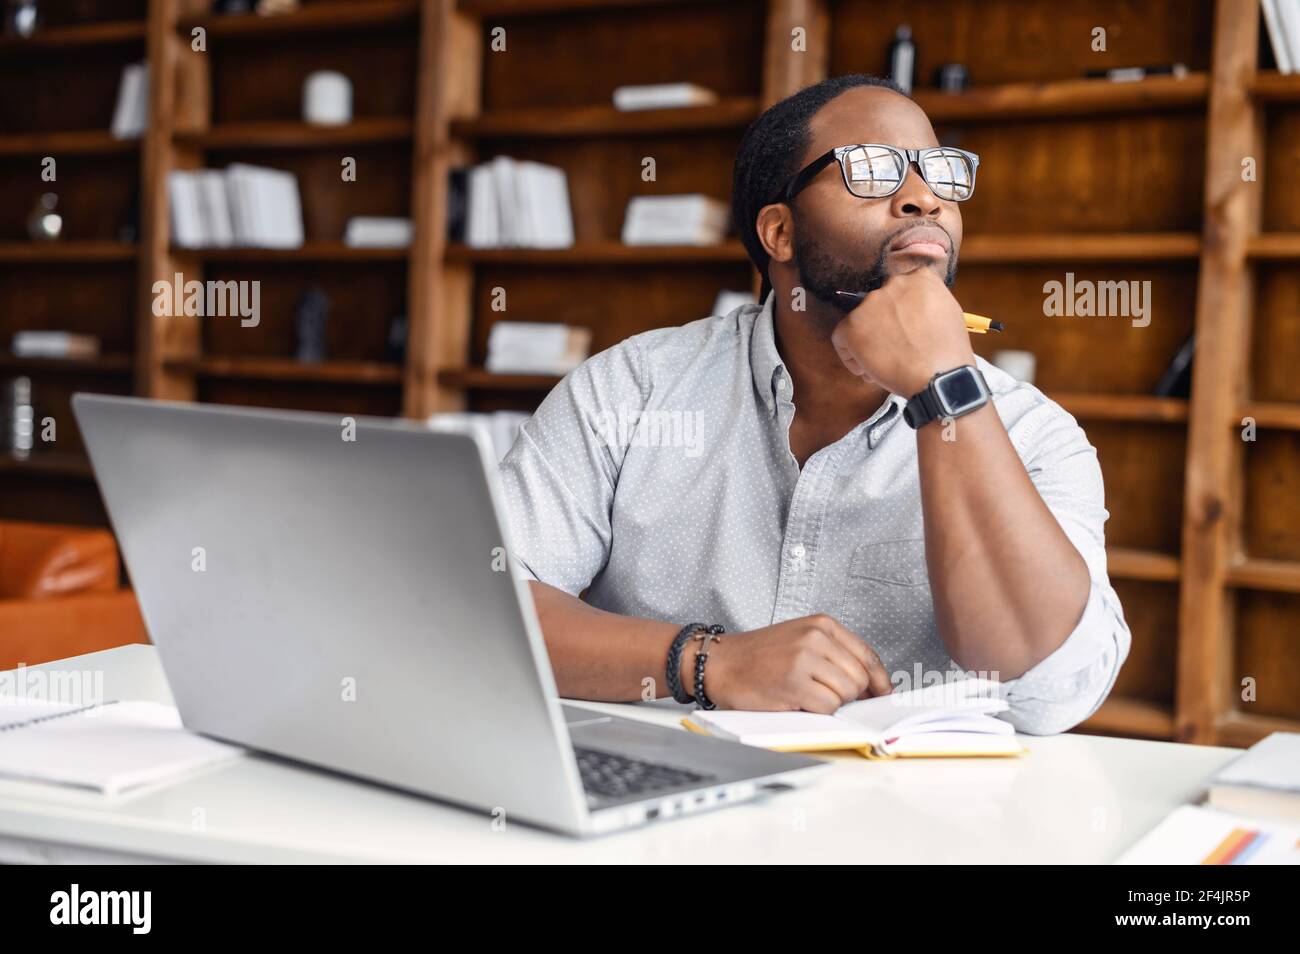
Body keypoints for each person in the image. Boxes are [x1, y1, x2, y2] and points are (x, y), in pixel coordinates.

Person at [499, 73, 1130, 733]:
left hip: (916, 821)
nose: (924, 199)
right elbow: (482, 603)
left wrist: (943, 385)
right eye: (873, 171)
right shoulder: (630, 390)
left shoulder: (1034, 434)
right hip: (661, 804)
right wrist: (709, 662)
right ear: (779, 232)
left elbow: (1051, 693)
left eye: (940, 175)